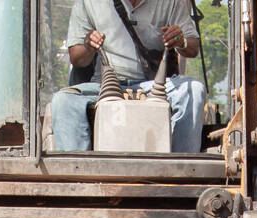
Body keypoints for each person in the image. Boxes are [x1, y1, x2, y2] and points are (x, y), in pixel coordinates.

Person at [52, 0, 207, 152]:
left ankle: (182, 170)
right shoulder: (87, 3)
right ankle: (79, 172)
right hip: (104, 85)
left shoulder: (172, 2)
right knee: (64, 101)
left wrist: (181, 40)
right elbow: (76, 58)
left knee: (194, 89)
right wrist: (88, 45)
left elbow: (192, 48)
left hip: (153, 86)